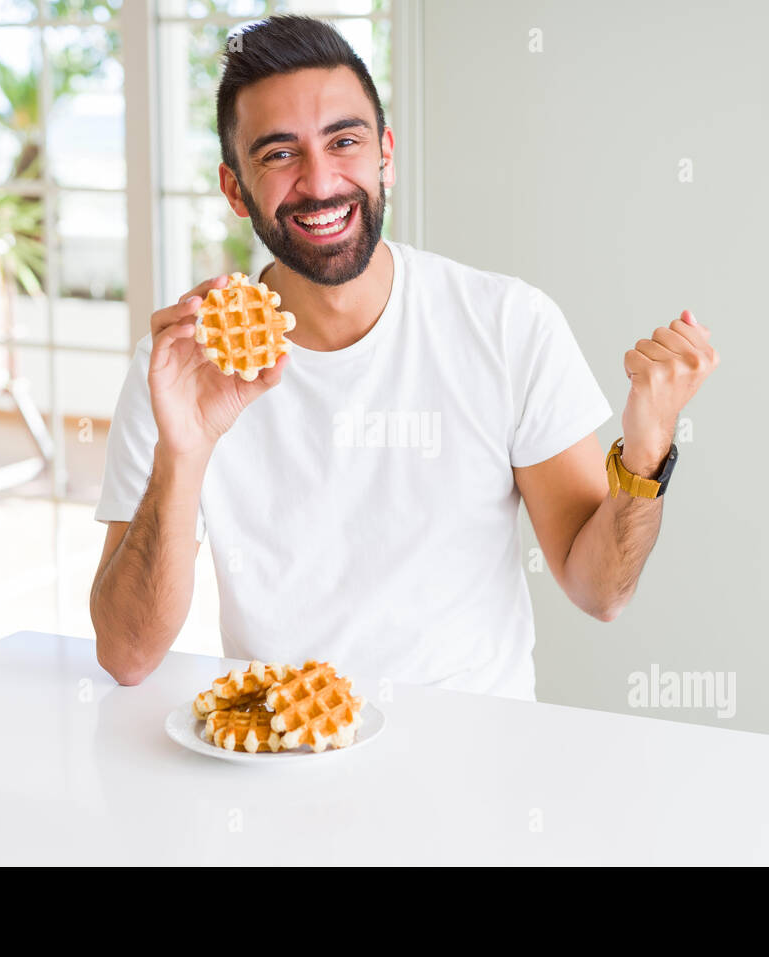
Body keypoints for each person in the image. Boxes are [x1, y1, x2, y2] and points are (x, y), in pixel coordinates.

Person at [91, 15, 718, 701]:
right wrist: (183, 454)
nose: (320, 181)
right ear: (235, 188)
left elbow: (601, 590)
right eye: (277, 154)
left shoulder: (508, 326)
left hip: (474, 767)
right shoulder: (182, 365)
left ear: (385, 153)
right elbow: (127, 655)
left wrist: (647, 451)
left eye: (345, 141)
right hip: (279, 758)